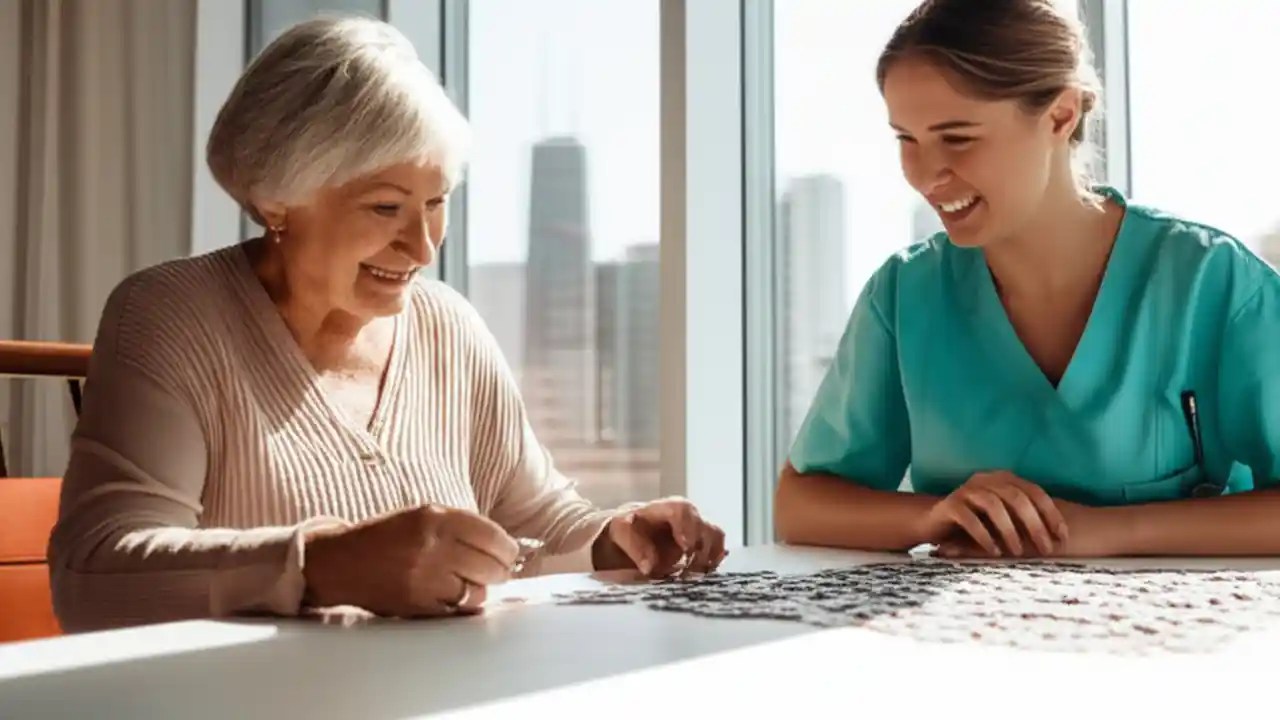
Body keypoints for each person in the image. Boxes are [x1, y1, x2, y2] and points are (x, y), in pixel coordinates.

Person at [48, 16, 726, 632]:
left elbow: (537, 523)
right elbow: (93, 574)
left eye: (438, 202)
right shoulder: (171, 316)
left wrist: (618, 536)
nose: (425, 246)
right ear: (276, 199)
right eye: (384, 208)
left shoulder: (449, 326)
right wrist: (326, 564)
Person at [775, 0, 1280, 559]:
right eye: (906, 139)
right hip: (957, 637)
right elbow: (801, 503)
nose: (925, 173)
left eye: (958, 137)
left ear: (1061, 116)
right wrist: (935, 515)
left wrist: (1107, 531)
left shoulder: (1214, 282)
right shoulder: (903, 295)